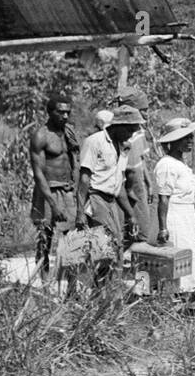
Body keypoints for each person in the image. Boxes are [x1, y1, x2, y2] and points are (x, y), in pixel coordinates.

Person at [76, 104, 143, 277]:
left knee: (113, 247)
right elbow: (84, 179)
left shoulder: (123, 147)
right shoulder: (95, 141)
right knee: (108, 246)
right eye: (129, 130)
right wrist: (80, 212)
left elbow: (118, 184)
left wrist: (131, 214)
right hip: (96, 197)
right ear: (119, 126)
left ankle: (105, 291)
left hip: (111, 201)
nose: (131, 135)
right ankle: (95, 291)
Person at [154, 117, 195, 296]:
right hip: (174, 217)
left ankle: (183, 296)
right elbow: (163, 198)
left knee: (188, 255)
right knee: (176, 257)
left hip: (186, 216)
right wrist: (163, 228)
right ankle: (171, 296)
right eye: (185, 137)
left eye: (191, 136)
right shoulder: (167, 164)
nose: (190, 140)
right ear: (174, 141)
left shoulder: (181, 164)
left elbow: (184, 190)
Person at [28, 89, 79, 273]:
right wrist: (53, 204)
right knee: (45, 238)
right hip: (48, 192)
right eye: (60, 112)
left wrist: (77, 192)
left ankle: (71, 287)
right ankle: (43, 284)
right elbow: (38, 174)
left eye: (68, 112)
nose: (65, 116)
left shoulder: (69, 132)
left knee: (73, 238)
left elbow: (74, 162)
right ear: (50, 112)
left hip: (67, 191)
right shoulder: (41, 136)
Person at [116, 86, 158, 244]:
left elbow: (142, 161)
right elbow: (126, 171)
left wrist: (149, 183)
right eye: (143, 110)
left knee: (142, 230)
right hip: (128, 190)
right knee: (128, 231)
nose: (147, 114)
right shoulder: (123, 136)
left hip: (139, 187)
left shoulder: (139, 132)